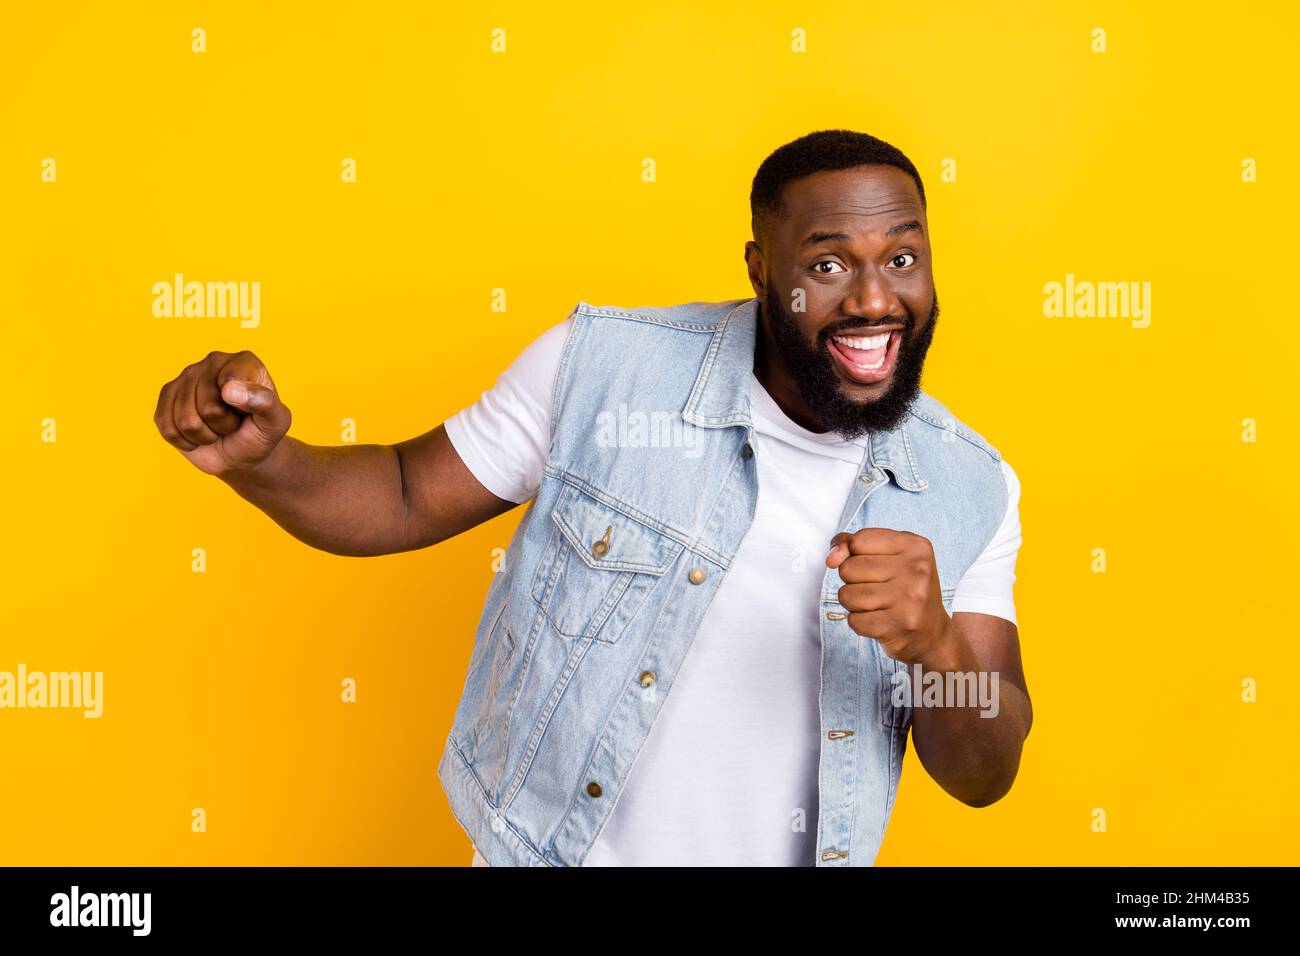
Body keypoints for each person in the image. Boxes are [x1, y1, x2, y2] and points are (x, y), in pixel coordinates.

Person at [153, 129, 1032, 867]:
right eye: (830, 263)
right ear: (763, 270)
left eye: (903, 257)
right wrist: (265, 461)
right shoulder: (602, 369)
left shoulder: (969, 486)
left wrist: (940, 650)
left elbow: (986, 775)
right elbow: (402, 495)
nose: (875, 298)